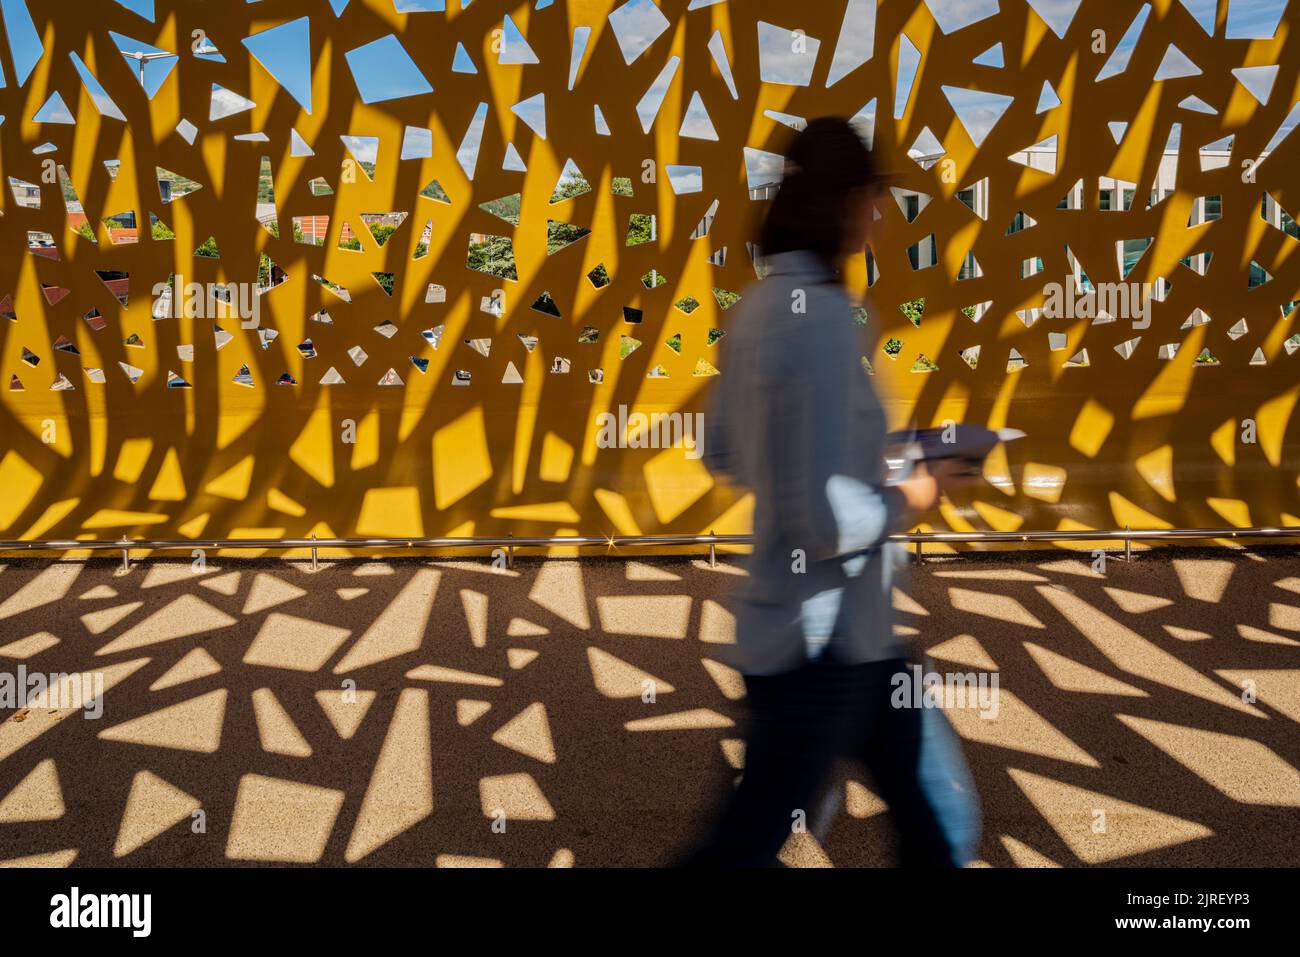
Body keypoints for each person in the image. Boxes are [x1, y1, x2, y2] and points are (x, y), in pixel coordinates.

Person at [686, 117, 981, 867]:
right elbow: (827, 517)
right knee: (932, 825)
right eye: (876, 197)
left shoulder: (757, 306)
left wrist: (852, 456)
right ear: (849, 199)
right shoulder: (816, 317)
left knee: (934, 818)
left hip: (820, 633)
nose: (881, 214)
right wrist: (921, 486)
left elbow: (723, 449)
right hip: (826, 643)